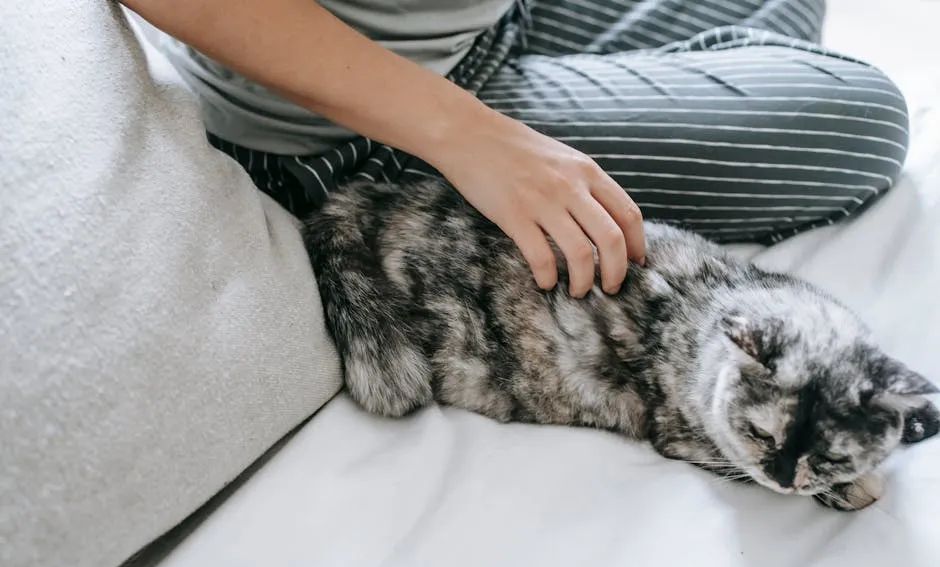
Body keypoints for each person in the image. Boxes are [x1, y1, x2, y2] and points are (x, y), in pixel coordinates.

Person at [122, 0, 908, 300]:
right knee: (858, 119)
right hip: (357, 122)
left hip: (488, 24)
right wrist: (472, 138)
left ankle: (661, 90)